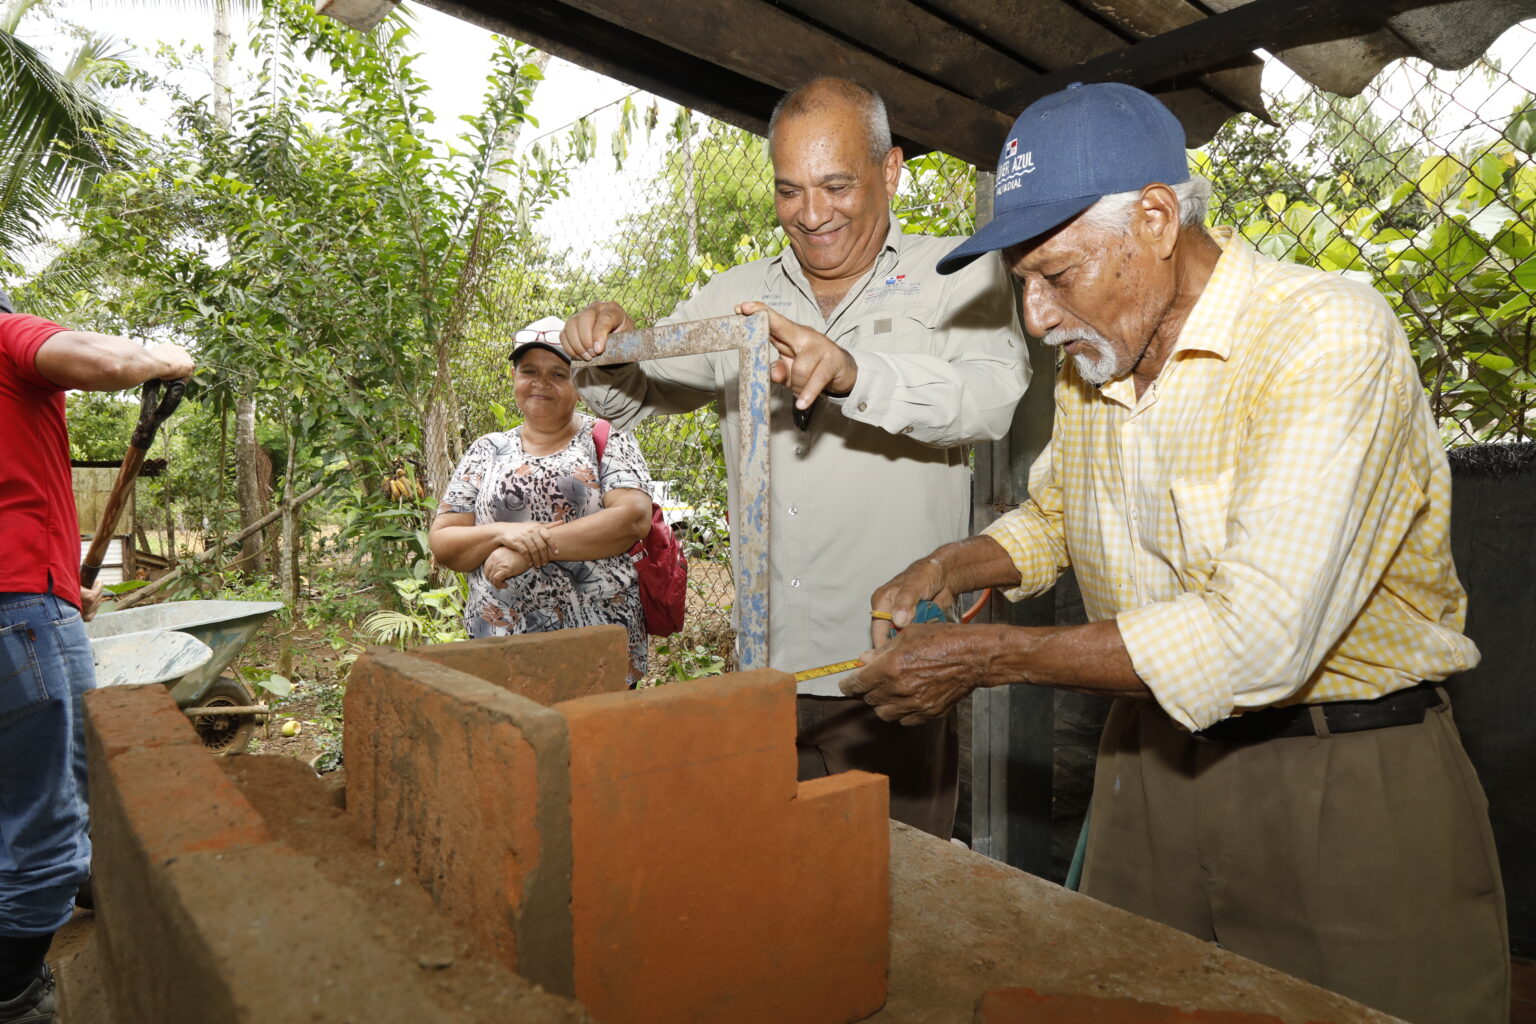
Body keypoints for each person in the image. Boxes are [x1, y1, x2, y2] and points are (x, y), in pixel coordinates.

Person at [850, 83, 1508, 1023]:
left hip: (1341, 781)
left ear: (1156, 218)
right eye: (1021, 282)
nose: (1036, 317)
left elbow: (1257, 638)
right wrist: (953, 568)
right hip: (1150, 763)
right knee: (1115, 995)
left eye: (1057, 275)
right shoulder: (1100, 360)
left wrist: (989, 658)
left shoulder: (1324, 336)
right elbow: (1056, 519)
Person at [562, 78, 1028, 839]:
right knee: (770, 889)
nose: (813, 215)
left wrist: (853, 372)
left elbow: (991, 399)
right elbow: (635, 396)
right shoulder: (736, 296)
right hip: (763, 671)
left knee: (899, 894)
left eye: (837, 185)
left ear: (891, 171)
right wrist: (606, 350)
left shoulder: (958, 278)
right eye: (790, 191)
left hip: (892, 668)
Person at [0, 289, 195, 1024]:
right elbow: (107, 361)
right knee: (46, 810)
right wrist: (167, 356)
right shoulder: (10, 333)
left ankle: (79, 877)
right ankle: (15, 990)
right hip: (18, 611)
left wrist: (53, 583)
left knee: (54, 769)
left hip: (34, 597)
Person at [429, 317, 655, 683]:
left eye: (558, 374)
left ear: (581, 383)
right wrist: (504, 534)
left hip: (593, 645)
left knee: (592, 738)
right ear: (515, 378)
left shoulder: (607, 437)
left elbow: (632, 518)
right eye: (529, 371)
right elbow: (444, 542)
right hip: (499, 644)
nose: (540, 384)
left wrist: (533, 549)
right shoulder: (487, 449)